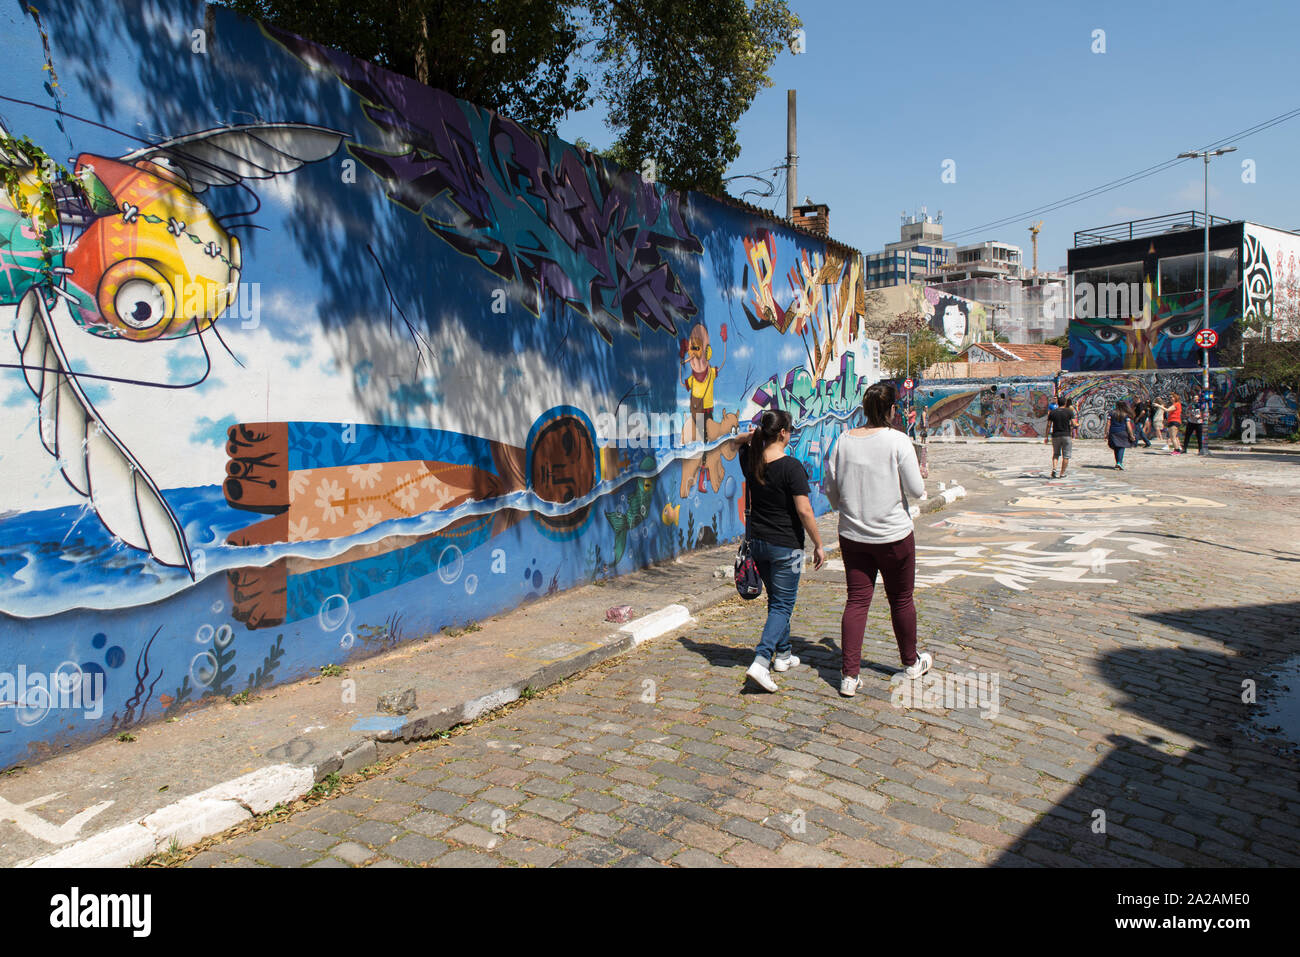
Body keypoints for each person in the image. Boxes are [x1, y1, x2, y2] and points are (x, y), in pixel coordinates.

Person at [825, 382, 931, 698]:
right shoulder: (898, 441)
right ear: (892, 410)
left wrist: (847, 508)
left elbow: (830, 489)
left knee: (857, 600)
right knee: (901, 599)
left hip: (853, 535)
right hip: (894, 536)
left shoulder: (843, 440)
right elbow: (914, 489)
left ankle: (849, 675)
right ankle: (911, 663)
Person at [737, 409, 826, 693]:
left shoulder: (752, 463)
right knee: (783, 604)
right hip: (786, 545)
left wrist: (753, 436)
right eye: (791, 429)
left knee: (776, 600)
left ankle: (784, 655)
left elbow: (734, 444)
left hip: (759, 545)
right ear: (784, 433)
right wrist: (819, 544)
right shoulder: (792, 467)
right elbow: (804, 510)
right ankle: (762, 660)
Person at [1045, 397, 1075, 478]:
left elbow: (1048, 425)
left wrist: (1046, 437)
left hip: (1055, 435)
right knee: (1066, 455)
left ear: (1057, 403)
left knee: (1056, 454)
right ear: (1065, 403)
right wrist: (1075, 426)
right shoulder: (1069, 411)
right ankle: (1062, 473)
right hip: (1066, 435)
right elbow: (1073, 423)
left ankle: (1054, 468)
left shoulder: (1053, 412)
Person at [1107, 400, 1137, 469]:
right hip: (1123, 432)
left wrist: (1106, 432)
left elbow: (1108, 423)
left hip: (1113, 432)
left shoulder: (1111, 413)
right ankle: (1119, 462)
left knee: (1116, 447)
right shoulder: (1125, 415)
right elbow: (1128, 426)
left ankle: (1118, 462)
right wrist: (1131, 434)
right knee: (1121, 447)